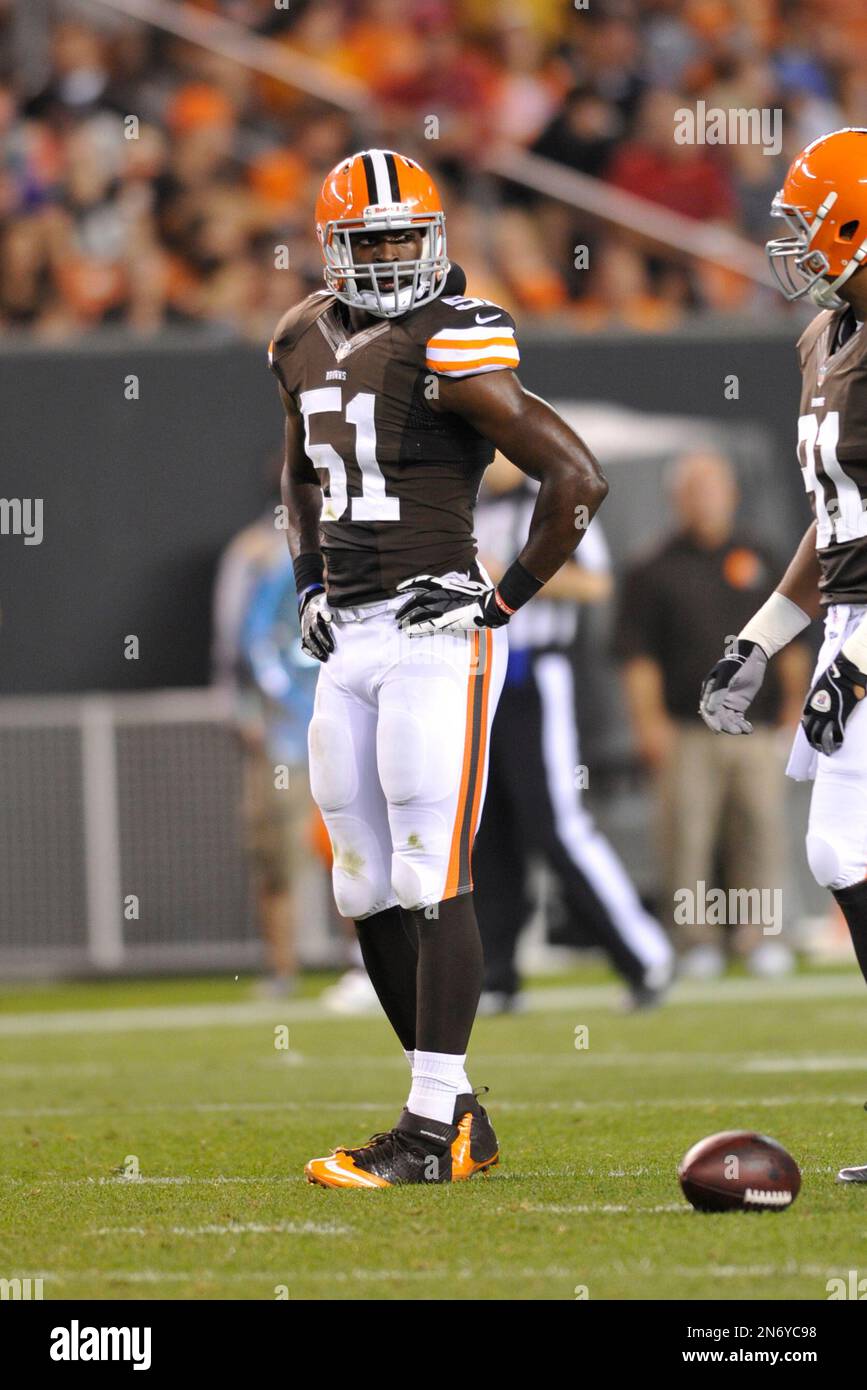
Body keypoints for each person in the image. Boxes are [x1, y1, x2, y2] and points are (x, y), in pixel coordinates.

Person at [270, 148, 607, 1187]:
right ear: (334, 248)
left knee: (428, 867)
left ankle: (427, 1129)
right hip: (352, 633)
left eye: (402, 239)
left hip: (434, 634)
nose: (386, 258)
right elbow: (297, 467)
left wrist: (498, 601)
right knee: (361, 877)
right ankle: (455, 1113)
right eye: (367, 242)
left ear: (435, 239)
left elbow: (575, 476)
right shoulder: (297, 337)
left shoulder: (458, 333)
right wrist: (310, 582)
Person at [699, 128, 867, 1183]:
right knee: (840, 854)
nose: (797, 250)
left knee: (840, 852)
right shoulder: (819, 338)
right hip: (852, 611)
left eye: (813, 229)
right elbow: (834, 517)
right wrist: (761, 636)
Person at [473, 454, 673, 1012]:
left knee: (555, 824)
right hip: (479, 680)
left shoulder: (556, 498)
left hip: (538, 675)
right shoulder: (467, 502)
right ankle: (497, 973)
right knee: (488, 831)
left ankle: (643, 955)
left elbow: (594, 585)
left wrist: (511, 573)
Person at [616, 449, 809, 978]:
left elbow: (791, 641)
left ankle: (762, 936)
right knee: (687, 836)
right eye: (693, 489)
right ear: (675, 499)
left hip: (755, 725)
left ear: (733, 494)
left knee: (762, 831)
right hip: (687, 727)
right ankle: (694, 940)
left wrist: (794, 710)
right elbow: (637, 658)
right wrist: (648, 724)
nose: (704, 499)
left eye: (713, 487)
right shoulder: (652, 568)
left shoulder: (762, 555)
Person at [212, 505, 318, 995]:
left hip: (349, 721)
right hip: (283, 730)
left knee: (359, 849)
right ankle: (282, 970)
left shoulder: (365, 539)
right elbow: (239, 640)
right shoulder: (255, 552)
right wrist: (247, 710)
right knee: (275, 854)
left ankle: (366, 967)